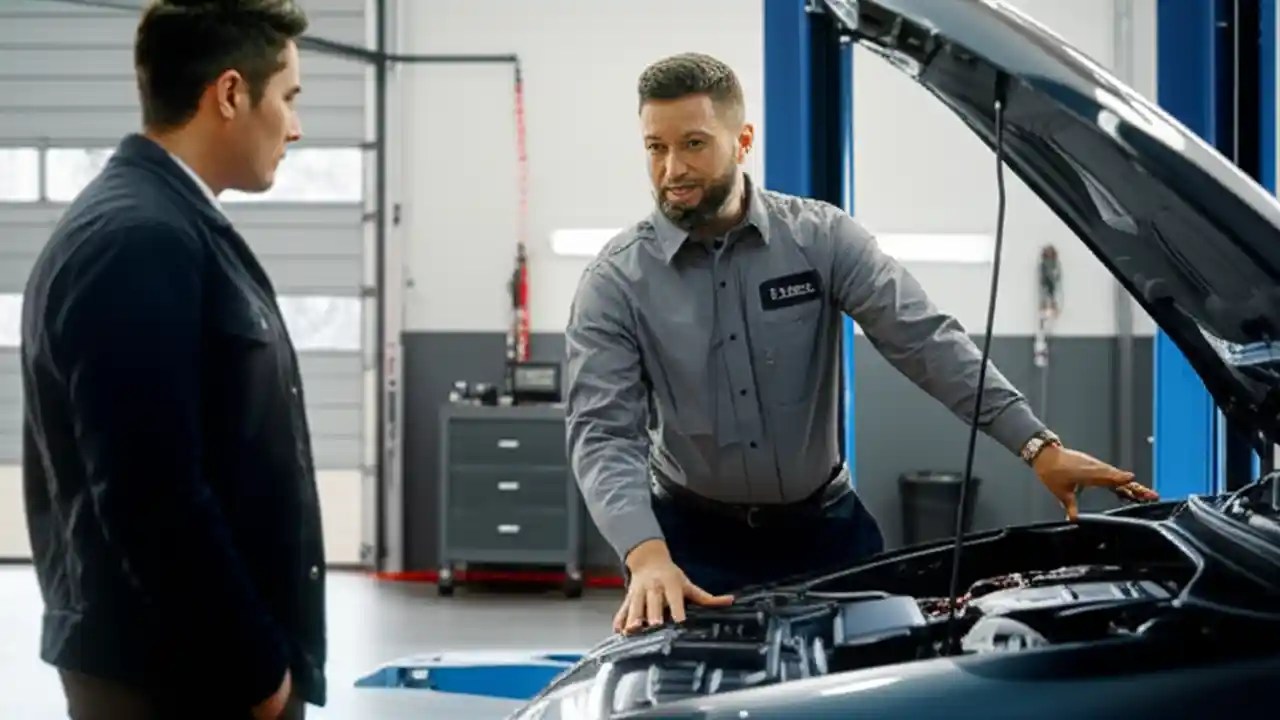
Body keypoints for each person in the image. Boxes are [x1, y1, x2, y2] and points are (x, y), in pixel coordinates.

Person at [564, 52, 1159, 636]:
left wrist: (1036, 445)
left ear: (742, 142)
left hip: (826, 536)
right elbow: (604, 432)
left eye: (693, 143)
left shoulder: (821, 240)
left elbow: (924, 340)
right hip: (689, 547)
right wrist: (645, 554)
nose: (672, 169)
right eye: (656, 148)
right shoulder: (616, 281)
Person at [19, 1, 324, 718]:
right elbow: (148, 493)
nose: (296, 126)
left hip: (195, 668)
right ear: (230, 94)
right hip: (181, 680)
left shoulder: (169, 225)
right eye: (288, 98)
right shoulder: (137, 240)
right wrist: (257, 673)